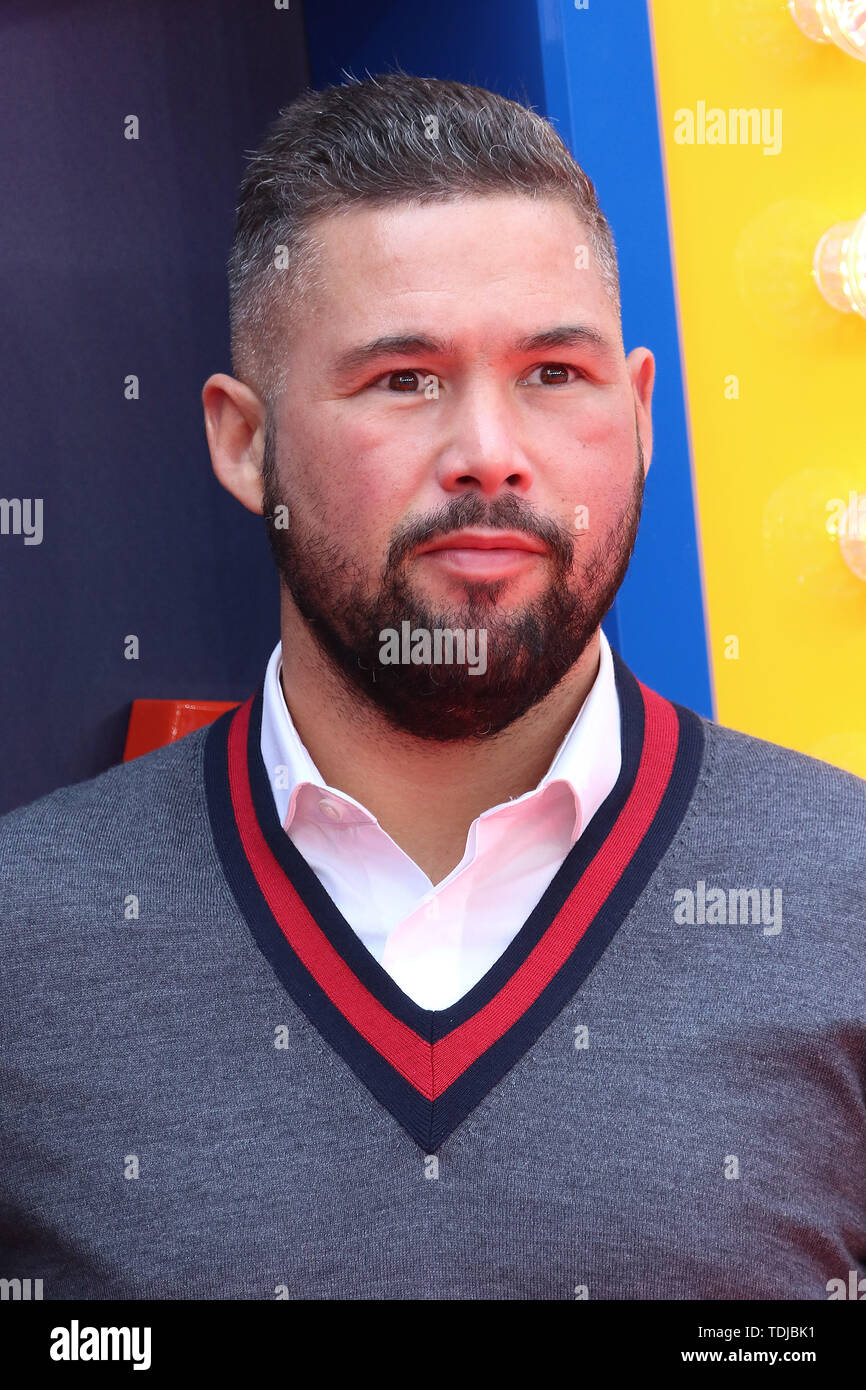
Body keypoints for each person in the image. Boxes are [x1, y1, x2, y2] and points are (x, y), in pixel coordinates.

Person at [1, 73, 863, 1302]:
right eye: (403, 379)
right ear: (246, 443)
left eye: (552, 375)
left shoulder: (844, 895)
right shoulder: (24, 944)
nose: (489, 454)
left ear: (637, 415)